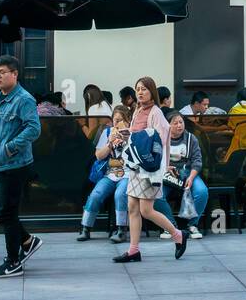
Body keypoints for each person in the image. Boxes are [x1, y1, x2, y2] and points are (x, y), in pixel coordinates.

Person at [113, 77, 187, 263]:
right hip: (137, 167)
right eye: (138, 89)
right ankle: (133, 251)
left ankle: (178, 235)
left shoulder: (156, 113)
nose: (140, 92)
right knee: (132, 207)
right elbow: (138, 136)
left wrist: (163, 164)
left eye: (144, 89)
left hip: (149, 168)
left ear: (151, 91)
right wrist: (124, 135)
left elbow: (160, 141)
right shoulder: (137, 111)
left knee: (146, 210)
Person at [0, 56, 45, 279]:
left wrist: (10, 148)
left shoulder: (23, 99)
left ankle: (13, 261)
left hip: (14, 163)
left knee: (7, 213)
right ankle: (27, 241)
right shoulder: (1, 97)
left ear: (15, 74)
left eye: (2, 72)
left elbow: (33, 129)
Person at [78, 105, 131, 240]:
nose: (116, 122)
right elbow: (99, 156)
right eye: (114, 119)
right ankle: (85, 228)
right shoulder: (107, 133)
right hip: (109, 174)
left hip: (128, 175)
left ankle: (121, 230)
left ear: (127, 121)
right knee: (96, 194)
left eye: (120, 120)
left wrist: (126, 139)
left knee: (120, 195)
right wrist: (109, 143)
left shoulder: (133, 134)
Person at [165, 111, 207, 239]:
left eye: (181, 122)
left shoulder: (191, 138)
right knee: (155, 194)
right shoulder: (162, 138)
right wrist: (165, 168)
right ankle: (170, 226)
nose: (179, 125)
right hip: (168, 175)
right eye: (175, 123)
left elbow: (197, 161)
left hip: (188, 172)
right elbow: (157, 159)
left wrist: (191, 177)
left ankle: (192, 225)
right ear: (168, 125)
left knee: (202, 191)